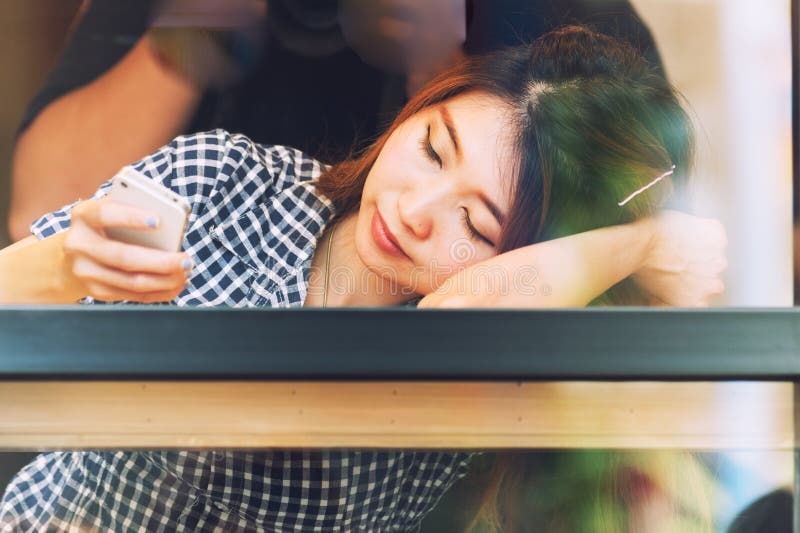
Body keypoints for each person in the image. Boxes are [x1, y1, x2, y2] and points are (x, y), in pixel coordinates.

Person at [0, 26, 726, 531]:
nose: (414, 211)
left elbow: (464, 320)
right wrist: (65, 266)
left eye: (475, 225)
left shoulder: (487, 358)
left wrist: (641, 239)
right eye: (434, 150)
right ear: (417, 108)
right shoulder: (225, 179)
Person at [8, 0, 664, 242]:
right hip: (181, 414)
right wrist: (195, 34)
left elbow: (625, 258)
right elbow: (38, 214)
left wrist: (443, 65)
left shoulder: (563, 29)